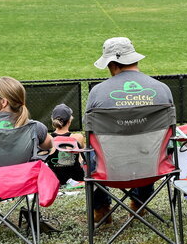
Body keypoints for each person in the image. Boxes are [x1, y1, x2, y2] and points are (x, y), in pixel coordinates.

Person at [85, 37, 174, 221]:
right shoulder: (163, 90)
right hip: (152, 169)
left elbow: (90, 135)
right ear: (135, 59)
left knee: (87, 153)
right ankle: (139, 202)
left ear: (111, 64)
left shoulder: (97, 93)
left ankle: (101, 209)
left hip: (110, 171)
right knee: (152, 146)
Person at [47, 103, 88, 186]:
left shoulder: (47, 139)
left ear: (53, 120)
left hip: (55, 180)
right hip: (77, 178)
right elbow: (83, 157)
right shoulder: (78, 137)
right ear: (70, 120)